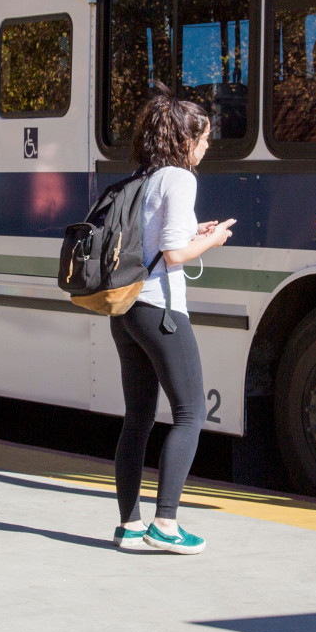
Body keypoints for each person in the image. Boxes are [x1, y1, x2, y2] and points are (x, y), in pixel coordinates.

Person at [108, 87, 233, 554]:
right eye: (204, 139)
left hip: (126, 310)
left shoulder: (144, 177)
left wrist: (194, 232)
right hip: (160, 310)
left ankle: (129, 526)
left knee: (137, 419)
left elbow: (155, 239)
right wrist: (212, 240)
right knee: (190, 413)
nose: (207, 147)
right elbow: (175, 253)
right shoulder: (180, 179)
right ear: (186, 140)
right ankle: (165, 523)